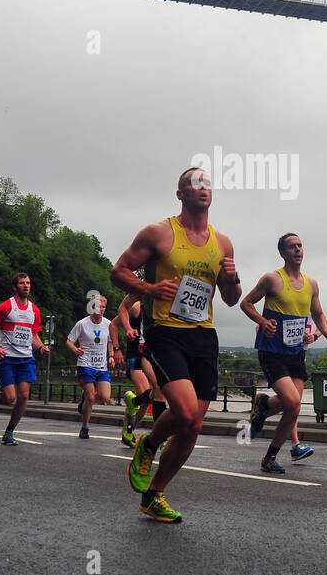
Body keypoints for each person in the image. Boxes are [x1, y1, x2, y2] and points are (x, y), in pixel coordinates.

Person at [111, 167, 241, 523]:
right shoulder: (159, 233)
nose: (203, 188)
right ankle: (148, 444)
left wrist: (233, 279)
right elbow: (118, 271)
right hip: (165, 330)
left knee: (194, 426)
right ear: (180, 194)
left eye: (207, 183)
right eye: (193, 183)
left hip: (204, 334)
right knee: (182, 412)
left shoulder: (223, 243)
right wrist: (150, 290)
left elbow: (230, 299)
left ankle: (154, 494)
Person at [242, 233, 327, 472]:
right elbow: (246, 303)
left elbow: (318, 314)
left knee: (293, 407)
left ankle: (264, 414)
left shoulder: (311, 284)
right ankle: (269, 445)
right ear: (283, 253)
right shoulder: (272, 279)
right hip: (271, 351)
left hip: (295, 353)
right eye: (292, 247)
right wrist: (263, 322)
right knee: (293, 401)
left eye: (300, 246)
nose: (298, 250)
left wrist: (324, 332)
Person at [0, 273, 50, 445]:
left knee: (24, 395)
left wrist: (41, 347)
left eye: (28, 283)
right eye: (22, 283)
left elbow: (33, 335)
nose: (26, 286)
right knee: (9, 398)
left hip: (26, 359)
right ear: (15, 287)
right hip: (8, 358)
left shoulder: (34, 310)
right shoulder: (7, 306)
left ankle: (9, 432)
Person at [66, 295, 119, 440]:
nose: (100, 309)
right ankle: (85, 427)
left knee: (105, 397)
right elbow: (69, 341)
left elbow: (110, 341)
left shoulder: (109, 324)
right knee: (91, 397)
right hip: (85, 364)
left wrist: (111, 355)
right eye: (97, 306)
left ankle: (84, 399)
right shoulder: (82, 324)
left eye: (103, 307)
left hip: (101, 367)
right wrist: (75, 349)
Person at [115, 293, 164, 447]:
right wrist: (116, 350)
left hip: (154, 354)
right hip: (135, 356)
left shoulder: (164, 308)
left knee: (153, 395)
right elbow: (113, 324)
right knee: (150, 390)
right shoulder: (136, 308)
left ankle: (130, 426)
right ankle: (160, 441)